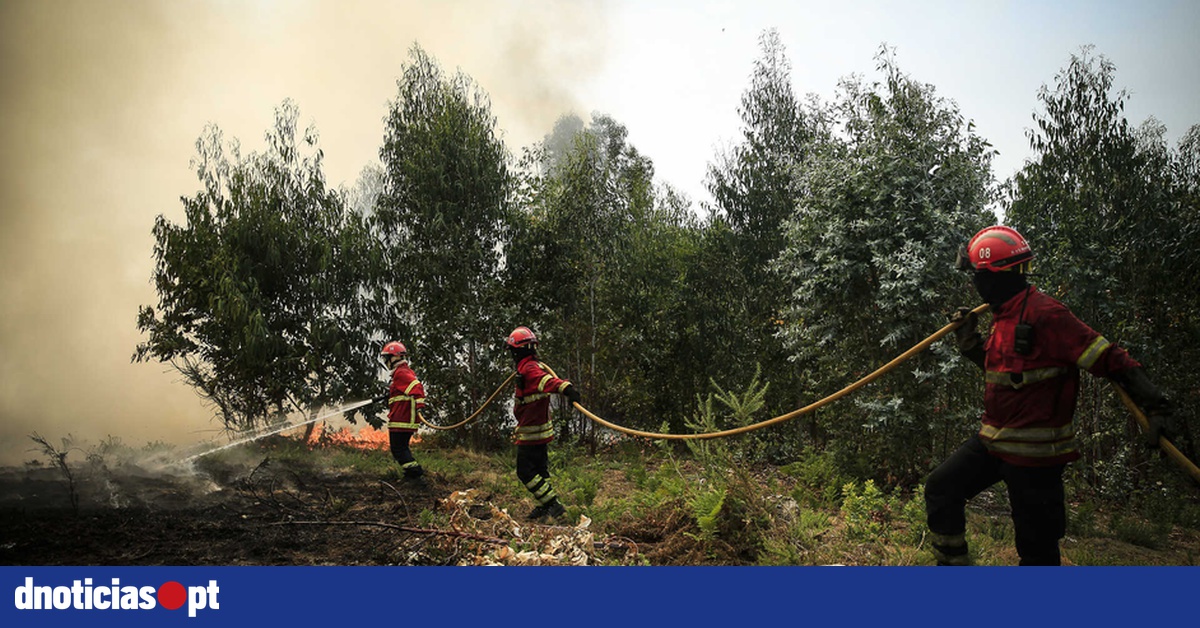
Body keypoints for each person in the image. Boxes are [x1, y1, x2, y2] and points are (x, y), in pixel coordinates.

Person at [925, 225, 1177, 566]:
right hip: (993, 441)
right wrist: (972, 346)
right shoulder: (1003, 314)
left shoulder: (1047, 315)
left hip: (1036, 458)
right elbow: (1008, 375)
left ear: (996, 276)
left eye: (977, 275)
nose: (974, 284)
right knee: (942, 488)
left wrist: (1157, 406)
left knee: (1037, 549)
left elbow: (1111, 359)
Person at [505, 326, 582, 521]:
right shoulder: (528, 367)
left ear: (518, 350)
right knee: (540, 470)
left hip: (531, 433)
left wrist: (566, 388)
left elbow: (546, 382)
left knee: (525, 472)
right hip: (539, 431)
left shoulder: (530, 369)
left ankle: (552, 504)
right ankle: (543, 505)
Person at [375, 341, 427, 481]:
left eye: (387, 358)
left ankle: (415, 473)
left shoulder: (401, 372)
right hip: (402, 418)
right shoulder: (402, 372)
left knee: (398, 449)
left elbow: (417, 388)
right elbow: (407, 390)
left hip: (402, 419)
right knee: (402, 449)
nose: (386, 362)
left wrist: (420, 405)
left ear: (394, 357)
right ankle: (411, 474)